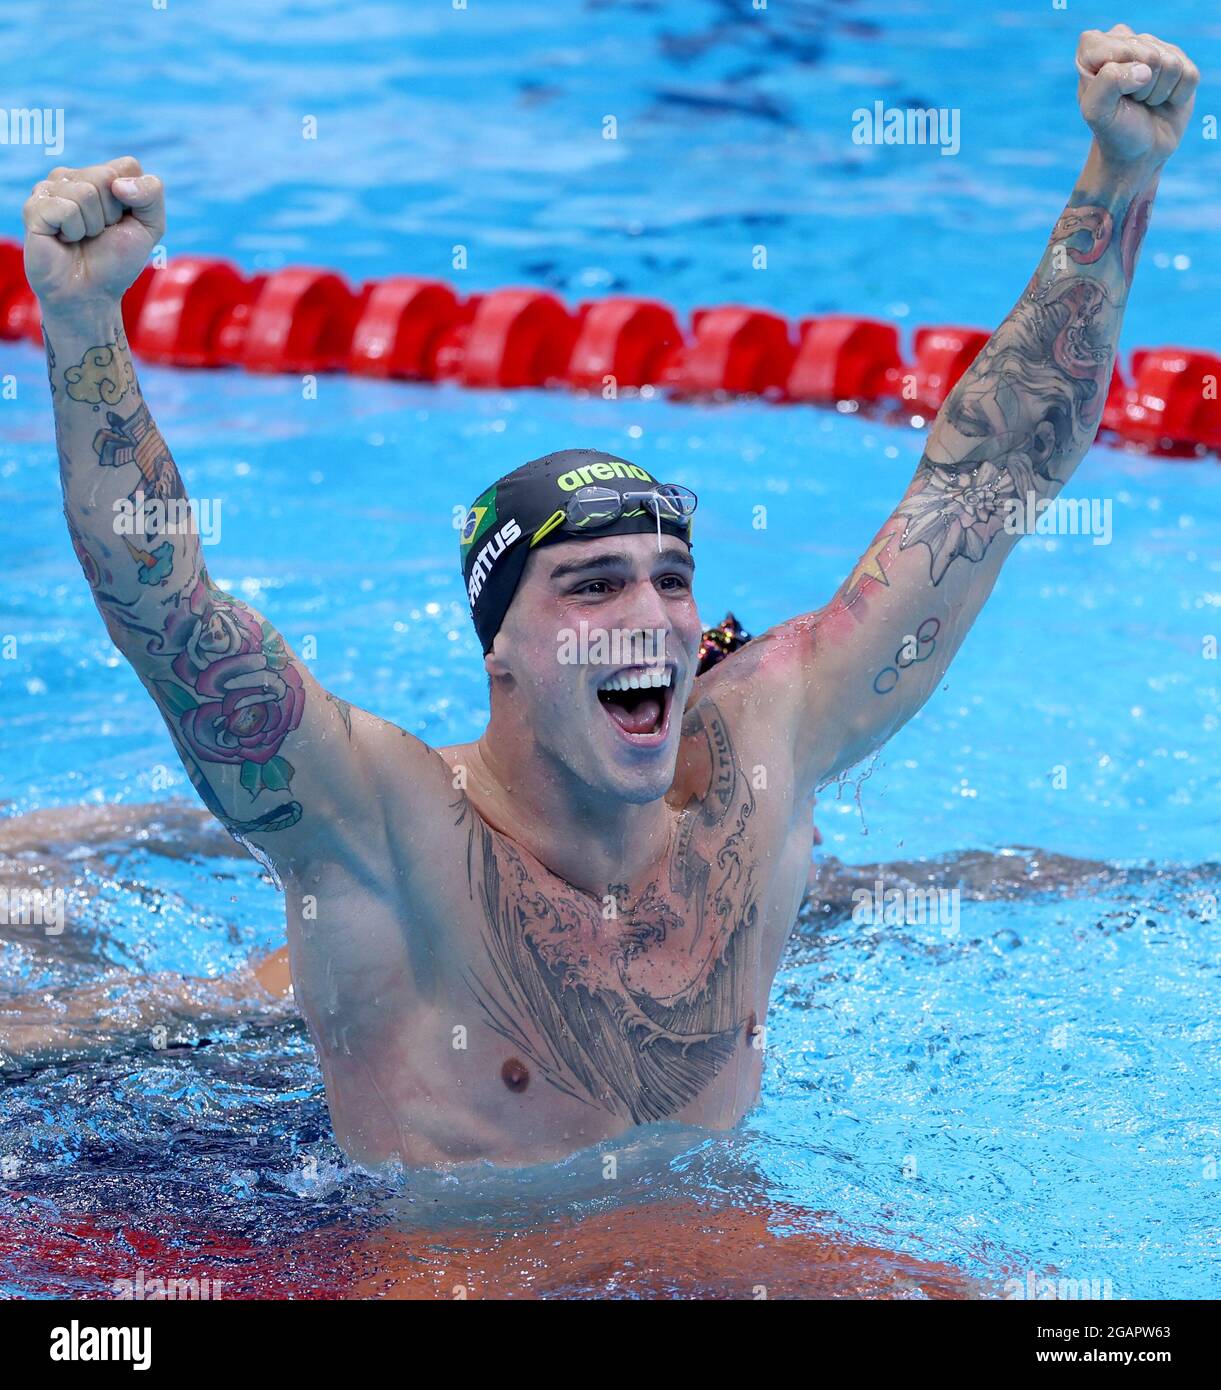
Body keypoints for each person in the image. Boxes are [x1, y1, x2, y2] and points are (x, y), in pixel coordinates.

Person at [18, 25, 1197, 1168]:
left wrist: (1119, 175)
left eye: (672, 580)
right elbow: (165, 610)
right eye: (592, 584)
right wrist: (82, 328)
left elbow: (986, 480)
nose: (652, 614)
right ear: (501, 652)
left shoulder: (760, 769)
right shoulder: (386, 832)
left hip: (711, 1246)